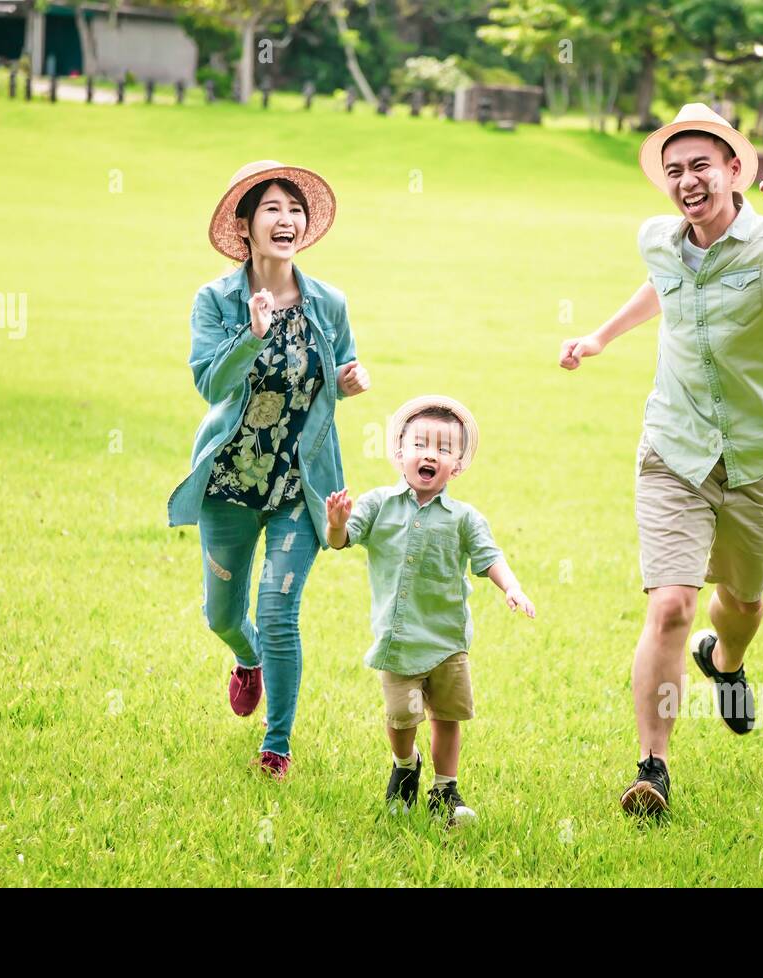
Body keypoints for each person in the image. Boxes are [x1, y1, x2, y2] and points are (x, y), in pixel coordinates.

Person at [558, 104, 763, 819]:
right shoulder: (657, 237)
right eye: (674, 170)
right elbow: (665, 284)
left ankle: (727, 661)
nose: (686, 180)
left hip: (752, 457)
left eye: (700, 166)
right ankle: (652, 766)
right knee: (671, 605)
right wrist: (600, 337)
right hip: (672, 448)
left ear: (731, 170)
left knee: (743, 605)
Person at [167, 160, 371, 779]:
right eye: (273, 210)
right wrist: (251, 335)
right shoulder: (216, 300)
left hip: (297, 486)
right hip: (229, 483)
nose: (287, 221)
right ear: (246, 226)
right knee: (223, 615)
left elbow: (339, 372)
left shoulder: (327, 302)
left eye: (296, 210)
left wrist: (348, 381)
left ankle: (276, 745)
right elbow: (210, 384)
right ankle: (245, 657)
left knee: (281, 611)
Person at [323, 396, 535, 824]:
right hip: (398, 638)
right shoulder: (379, 504)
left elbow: (489, 556)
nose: (430, 454)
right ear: (400, 453)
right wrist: (337, 522)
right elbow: (341, 541)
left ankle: (445, 789)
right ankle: (405, 767)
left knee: (447, 716)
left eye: (443, 449)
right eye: (421, 444)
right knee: (402, 717)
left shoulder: (464, 517)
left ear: (456, 465)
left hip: (446, 640)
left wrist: (511, 587)